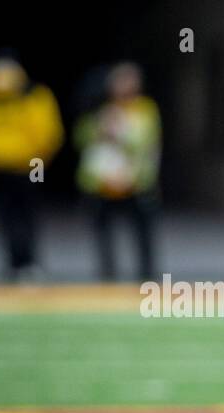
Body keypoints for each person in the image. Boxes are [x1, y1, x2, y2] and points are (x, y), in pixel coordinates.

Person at [74, 62, 161, 281]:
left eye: (129, 80)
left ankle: (147, 277)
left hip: (136, 182)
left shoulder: (145, 109)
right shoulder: (99, 109)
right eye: (119, 80)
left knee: (143, 232)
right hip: (101, 183)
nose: (124, 86)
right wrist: (100, 129)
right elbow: (81, 138)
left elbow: (147, 141)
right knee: (103, 232)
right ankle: (107, 276)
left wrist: (120, 134)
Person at [0, 53, 63, 280]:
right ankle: (13, 263)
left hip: (32, 165)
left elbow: (48, 132)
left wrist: (37, 158)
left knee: (29, 212)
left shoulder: (35, 97)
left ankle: (30, 262)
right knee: (4, 216)